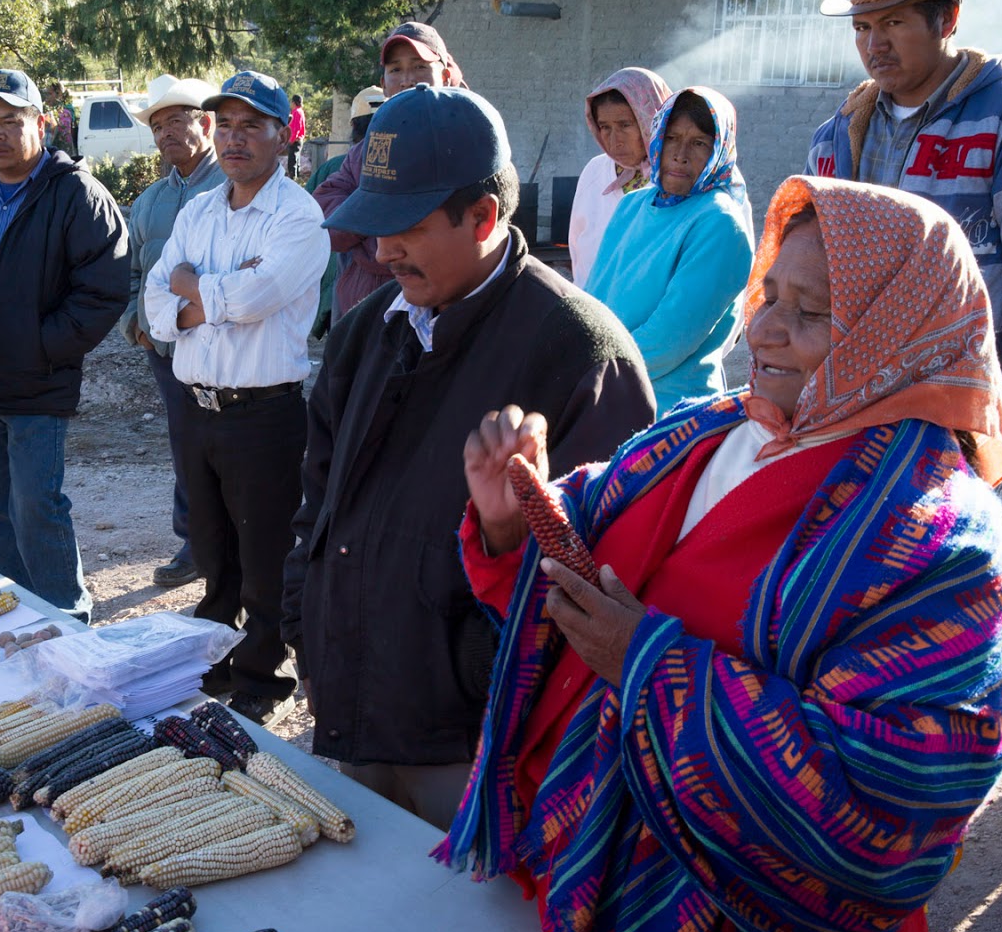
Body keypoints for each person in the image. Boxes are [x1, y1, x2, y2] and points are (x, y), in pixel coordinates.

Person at [443, 175, 1002, 932]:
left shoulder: (941, 539)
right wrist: (512, 521)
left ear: (899, 331)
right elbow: (578, 579)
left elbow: (886, 803)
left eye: (813, 311)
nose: (767, 329)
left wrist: (647, 665)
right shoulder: (705, 432)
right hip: (597, 891)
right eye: (769, 295)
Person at [283, 85, 655, 829]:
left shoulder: (579, 350)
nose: (382, 251)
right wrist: (309, 630)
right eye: (374, 226)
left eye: (406, 228)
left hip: (476, 749)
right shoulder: (364, 332)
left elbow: (597, 584)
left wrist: (474, 678)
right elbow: (317, 507)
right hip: (354, 713)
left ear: (483, 217)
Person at [808, 0, 1002, 458]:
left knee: (943, 525)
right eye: (863, 27)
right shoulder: (837, 132)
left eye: (895, 22)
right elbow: (819, 258)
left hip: (961, 379)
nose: (873, 44)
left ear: (947, 19)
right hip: (856, 376)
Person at [143, 71, 327, 723]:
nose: (235, 138)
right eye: (225, 124)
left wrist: (197, 289)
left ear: (283, 136)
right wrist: (208, 295)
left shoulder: (299, 216)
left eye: (252, 125)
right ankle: (214, 658)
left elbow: (254, 300)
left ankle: (259, 676)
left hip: (264, 413)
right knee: (213, 545)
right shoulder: (198, 211)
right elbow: (156, 303)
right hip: (197, 405)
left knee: (266, 548)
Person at [0, 69, 128, 623]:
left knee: (37, 506)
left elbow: (104, 290)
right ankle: (23, 613)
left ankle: (68, 619)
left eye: (10, 122)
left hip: (36, 380)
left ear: (41, 123)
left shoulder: (76, 195)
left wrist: (40, 348)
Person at [584, 87, 754, 414]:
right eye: (673, 138)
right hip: (605, 389)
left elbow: (667, 342)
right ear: (657, 137)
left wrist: (589, 372)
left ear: (721, 150)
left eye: (699, 143)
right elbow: (595, 296)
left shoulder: (719, 222)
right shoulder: (633, 204)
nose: (680, 154)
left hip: (665, 412)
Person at [121, 77, 225, 589]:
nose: (165, 134)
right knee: (186, 445)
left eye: (175, 121)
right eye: (157, 126)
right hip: (164, 349)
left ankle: (228, 548)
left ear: (205, 123)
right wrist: (135, 325)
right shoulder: (149, 202)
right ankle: (193, 543)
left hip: (223, 347)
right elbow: (133, 272)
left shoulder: (231, 188)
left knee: (225, 447)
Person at [315, 22, 466, 320]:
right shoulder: (366, 149)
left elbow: (448, 237)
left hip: (435, 312)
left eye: (421, 67)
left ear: (445, 76)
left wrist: (363, 228)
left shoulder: (464, 143)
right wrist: (378, 216)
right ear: (383, 84)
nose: (407, 80)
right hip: (362, 314)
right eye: (395, 70)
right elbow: (329, 223)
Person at [566, 68, 672, 288]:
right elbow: (577, 247)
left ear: (652, 118)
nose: (615, 140)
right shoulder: (595, 171)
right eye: (605, 127)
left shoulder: (677, 177)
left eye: (625, 125)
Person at [306, 86, 385, 339]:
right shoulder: (351, 164)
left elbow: (311, 215)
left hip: (338, 288)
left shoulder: (332, 167)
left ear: (353, 125)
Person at [286, 94, 306, 181]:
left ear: (294, 102)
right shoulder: (300, 111)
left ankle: (292, 179)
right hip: (299, 139)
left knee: (292, 160)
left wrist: (291, 139)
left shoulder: (296, 112)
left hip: (295, 140)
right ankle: (297, 178)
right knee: (296, 160)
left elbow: (295, 128)